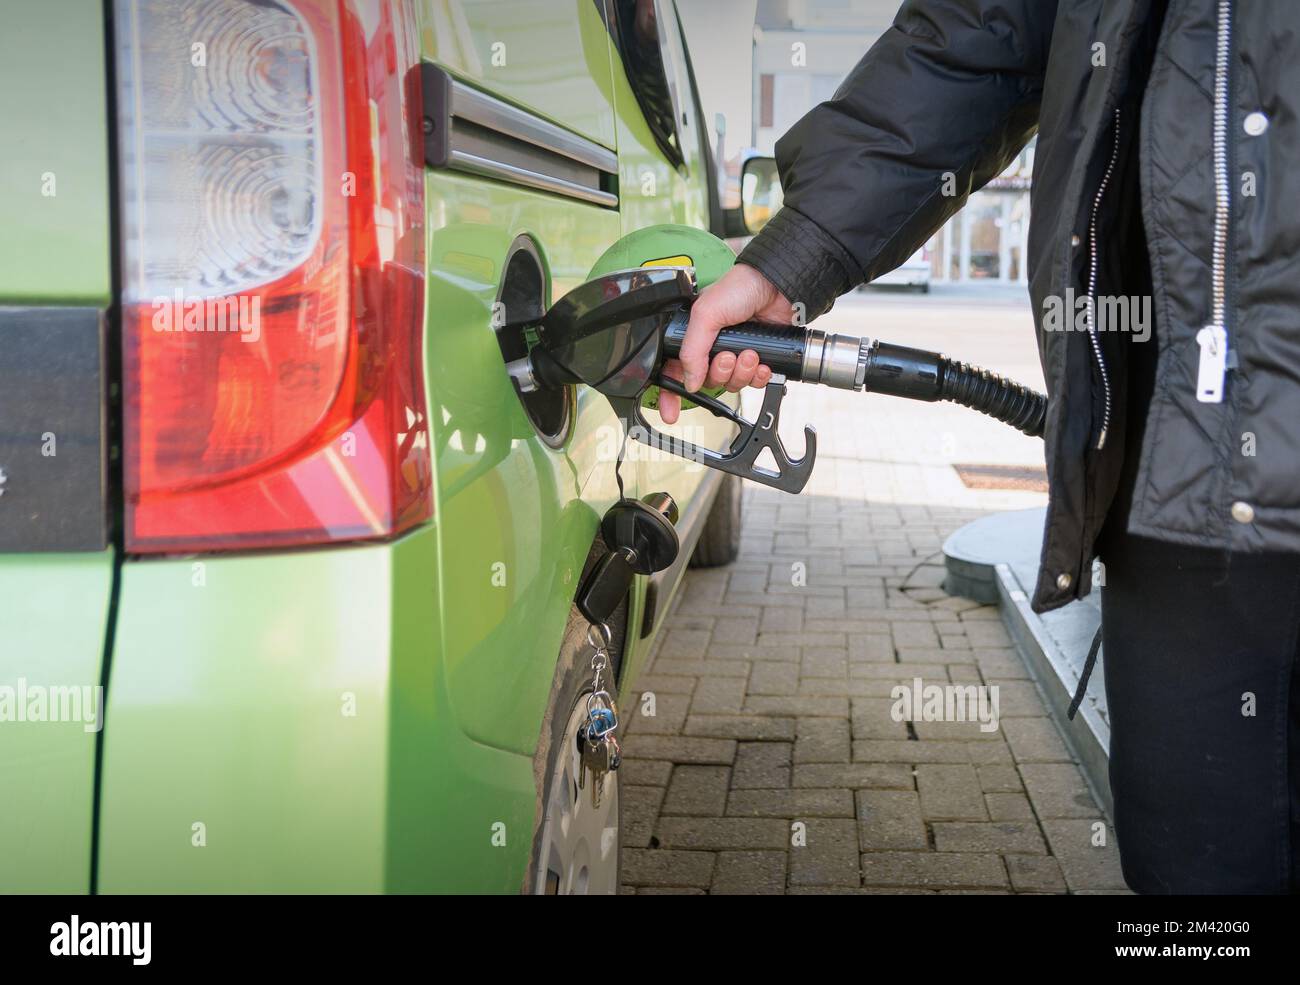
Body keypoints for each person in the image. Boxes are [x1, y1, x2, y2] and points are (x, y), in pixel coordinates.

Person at [660, 0, 1300, 895]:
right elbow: (975, 40)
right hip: (1183, 468)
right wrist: (791, 260)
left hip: (1190, 459)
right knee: (1195, 887)